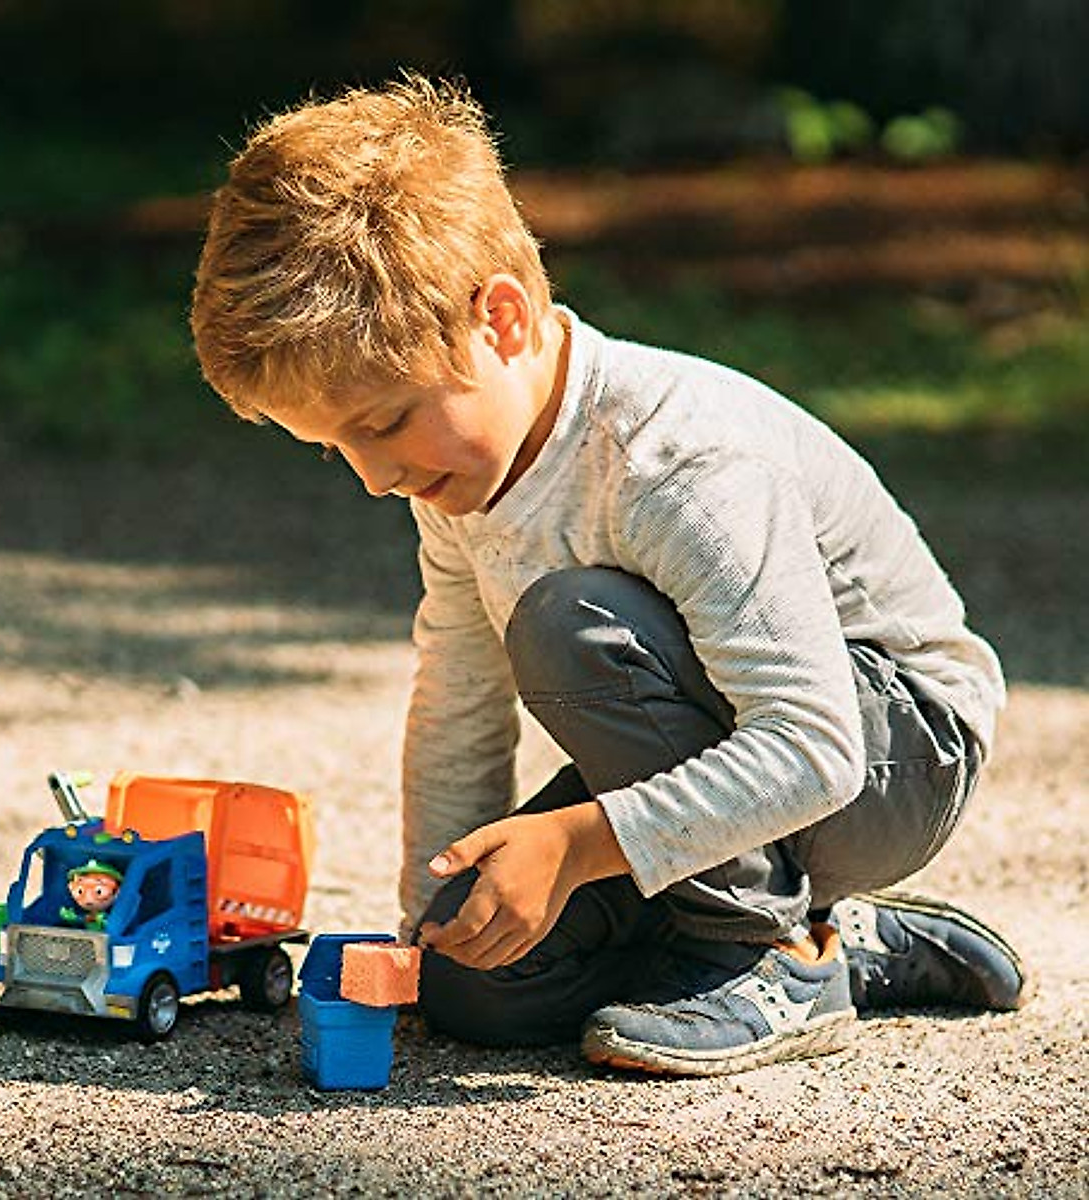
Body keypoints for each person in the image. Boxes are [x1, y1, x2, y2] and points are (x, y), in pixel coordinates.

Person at [190, 75, 1028, 1076]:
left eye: (384, 423)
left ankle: (769, 954)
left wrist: (581, 844)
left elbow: (814, 747)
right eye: (336, 448)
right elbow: (459, 700)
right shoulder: (458, 476)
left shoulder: (674, 464)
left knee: (569, 624)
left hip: (894, 758)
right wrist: (424, 928)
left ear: (501, 320)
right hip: (742, 754)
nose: (374, 477)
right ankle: (841, 935)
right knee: (477, 981)